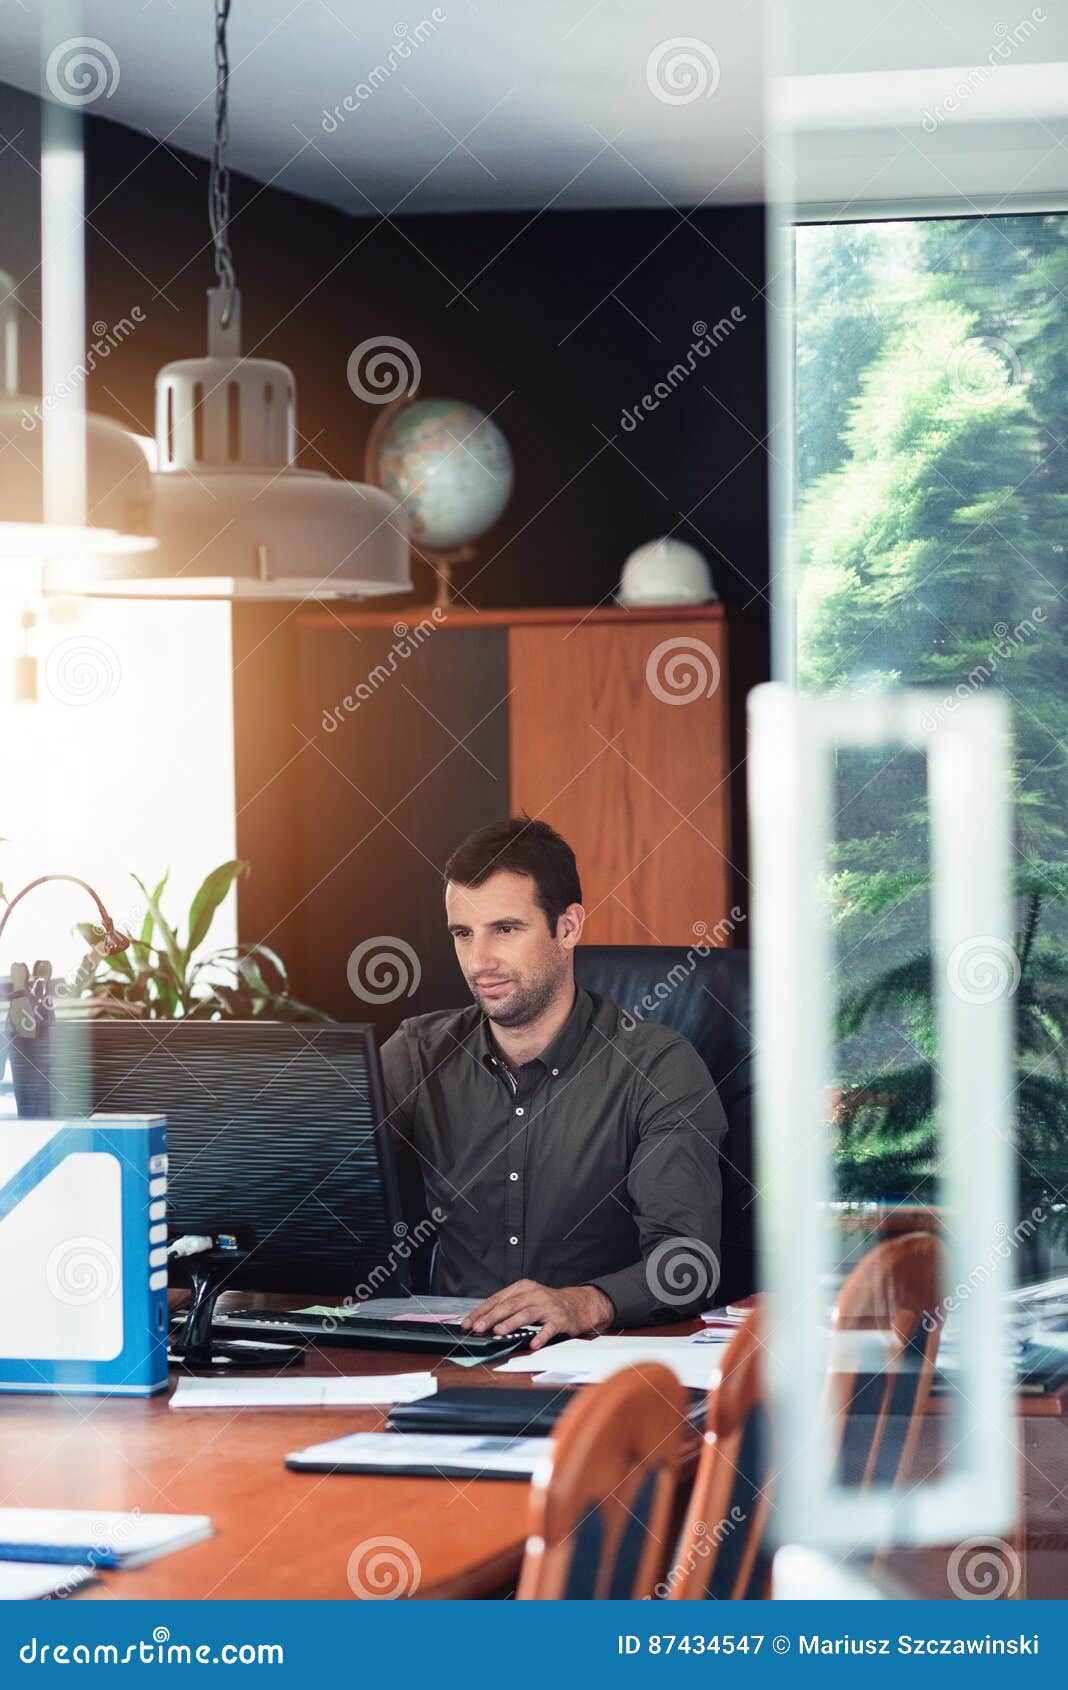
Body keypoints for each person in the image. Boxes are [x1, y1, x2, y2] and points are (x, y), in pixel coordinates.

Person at [381, 816, 725, 1350]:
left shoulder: (658, 1066)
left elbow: (687, 1261)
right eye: (463, 934)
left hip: (593, 1363)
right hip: (444, 1355)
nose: (479, 961)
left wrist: (583, 1303)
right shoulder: (416, 1054)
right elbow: (320, 1188)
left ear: (567, 928)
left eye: (506, 929)